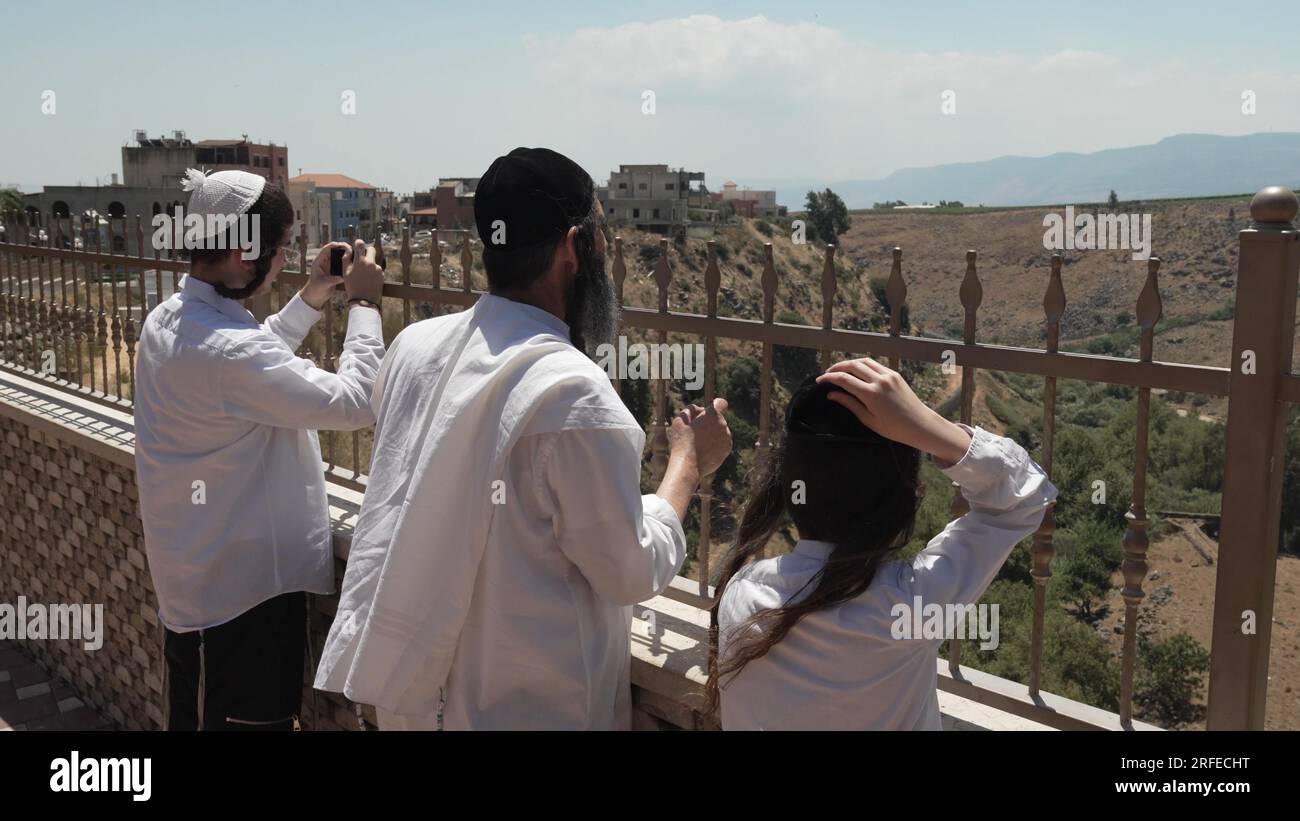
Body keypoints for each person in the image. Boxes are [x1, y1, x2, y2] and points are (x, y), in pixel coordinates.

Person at [315, 147, 732, 730]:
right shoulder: (573, 393)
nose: (607, 254)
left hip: (411, 707)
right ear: (573, 247)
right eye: (602, 235)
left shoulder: (414, 347)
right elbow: (628, 571)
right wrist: (687, 466)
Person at [134, 168, 386, 730]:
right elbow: (355, 403)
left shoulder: (172, 320)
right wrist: (364, 306)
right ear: (245, 254)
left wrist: (313, 295)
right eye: (281, 251)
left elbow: (249, 363)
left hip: (205, 589)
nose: (283, 262)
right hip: (240, 605)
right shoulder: (228, 352)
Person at [709, 358, 1057, 730]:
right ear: (904, 500)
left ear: (789, 489)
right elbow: (1023, 497)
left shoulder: (742, 593)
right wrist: (929, 427)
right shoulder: (908, 606)